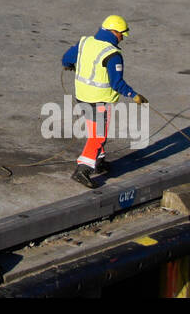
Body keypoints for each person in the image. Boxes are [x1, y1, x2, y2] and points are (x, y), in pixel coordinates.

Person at [62, 14, 146, 189]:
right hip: (98, 100)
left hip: (82, 95)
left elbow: (67, 58)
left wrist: (71, 64)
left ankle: (99, 161)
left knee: (95, 131)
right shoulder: (113, 54)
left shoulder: (85, 42)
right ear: (114, 32)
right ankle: (83, 170)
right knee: (98, 135)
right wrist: (134, 95)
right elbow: (117, 83)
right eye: (121, 34)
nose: (122, 38)